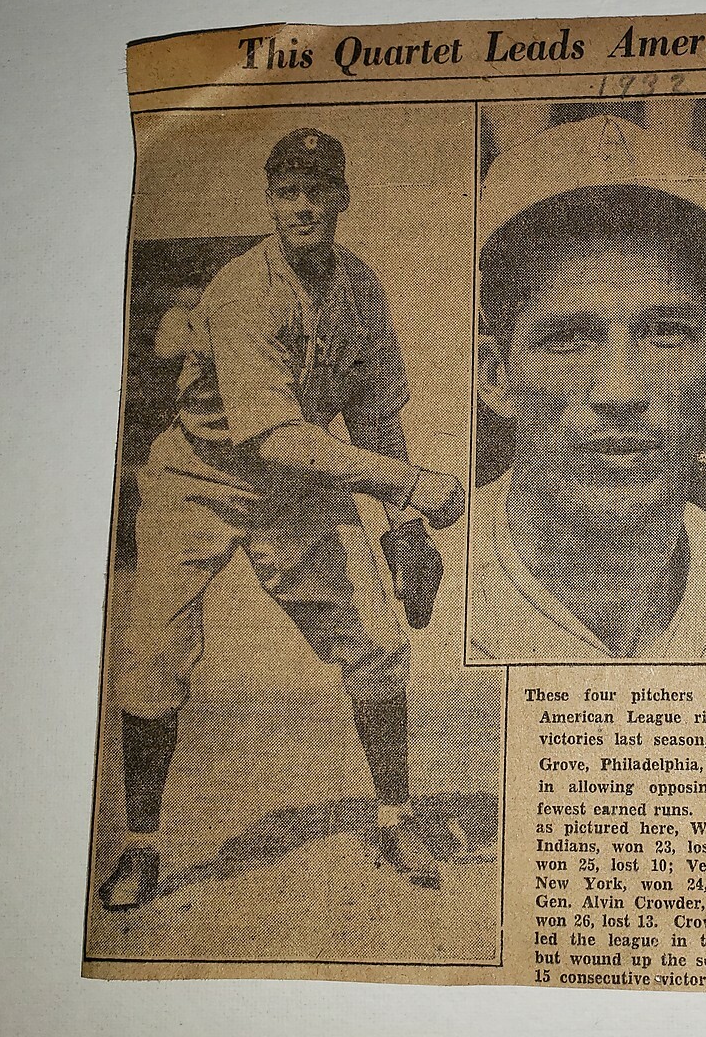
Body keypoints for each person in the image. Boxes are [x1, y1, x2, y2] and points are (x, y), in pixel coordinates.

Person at [97, 128, 467, 911]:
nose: (303, 206)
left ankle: (395, 818)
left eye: (317, 190)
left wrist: (403, 524)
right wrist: (413, 484)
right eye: (287, 192)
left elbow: (374, 414)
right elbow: (276, 436)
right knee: (155, 654)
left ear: (342, 197)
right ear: (270, 202)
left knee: (378, 644)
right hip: (202, 475)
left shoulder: (361, 289)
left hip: (299, 489)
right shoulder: (242, 289)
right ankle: (141, 844)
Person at [468, 114, 706, 662]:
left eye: (664, 333)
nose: (619, 392)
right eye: (568, 338)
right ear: (495, 374)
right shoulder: (425, 592)